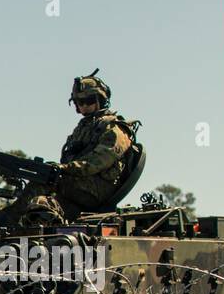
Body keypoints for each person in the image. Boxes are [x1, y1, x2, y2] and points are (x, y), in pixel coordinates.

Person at [10, 72, 140, 226]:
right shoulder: (84, 128)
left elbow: (96, 163)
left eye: (89, 101)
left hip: (95, 190)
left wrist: (62, 169)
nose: (84, 106)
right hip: (78, 187)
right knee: (41, 203)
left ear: (101, 100)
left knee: (45, 178)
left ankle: (5, 219)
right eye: (79, 102)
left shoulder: (114, 128)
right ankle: (12, 226)